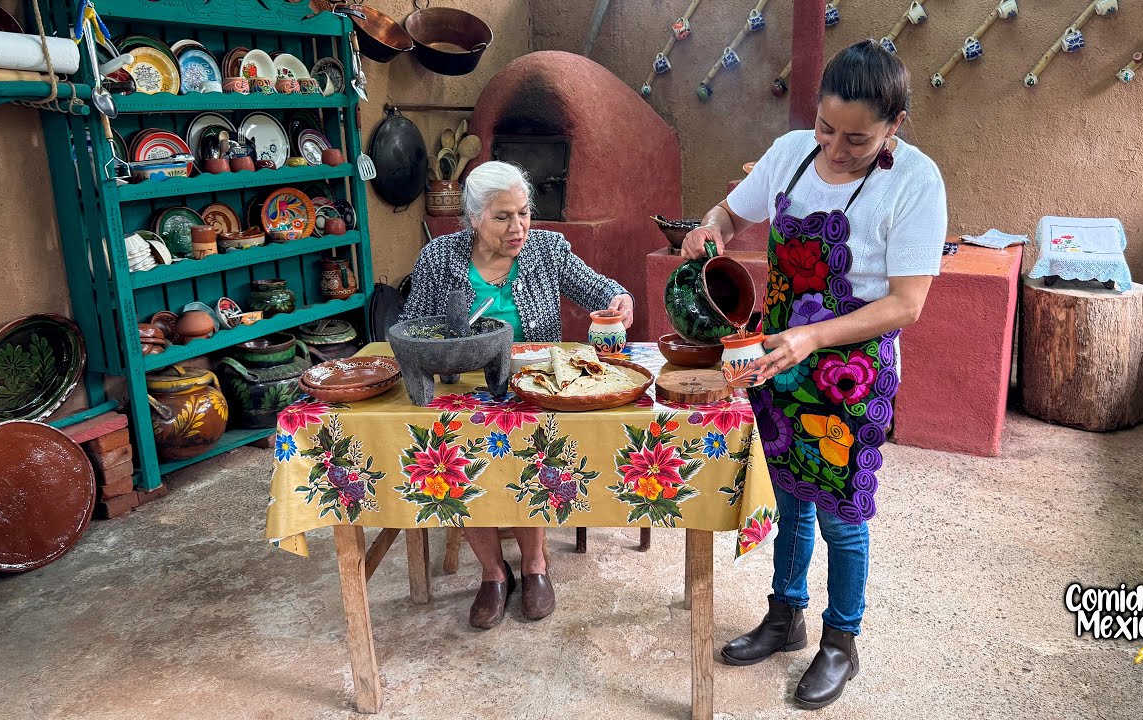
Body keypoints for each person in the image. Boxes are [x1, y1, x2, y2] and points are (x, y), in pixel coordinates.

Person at [682, 40, 947, 709]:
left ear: (896, 124)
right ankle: (785, 615)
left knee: (839, 513)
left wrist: (810, 336)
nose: (834, 146)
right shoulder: (791, 152)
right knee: (790, 498)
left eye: (857, 138)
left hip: (850, 371)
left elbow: (906, 303)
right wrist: (709, 229)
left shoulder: (916, 181)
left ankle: (840, 641)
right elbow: (730, 213)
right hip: (780, 358)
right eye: (827, 127)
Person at [401, 160, 635, 629]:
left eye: (524, 213)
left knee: (533, 449)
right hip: (460, 392)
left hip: (533, 389)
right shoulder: (439, 259)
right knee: (447, 454)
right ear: (473, 218)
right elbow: (414, 328)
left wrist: (619, 298)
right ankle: (493, 572)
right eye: (502, 217)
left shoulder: (545, 250)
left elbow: (599, 288)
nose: (519, 227)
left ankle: (534, 565)